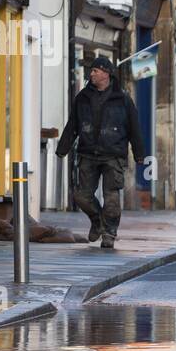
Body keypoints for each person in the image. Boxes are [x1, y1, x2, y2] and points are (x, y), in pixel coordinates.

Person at [55, 55, 145, 250]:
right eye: (92, 70)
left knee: (111, 197)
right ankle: (97, 221)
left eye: (95, 70)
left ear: (106, 73)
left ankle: (109, 234)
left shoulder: (123, 99)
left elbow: (134, 128)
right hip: (88, 153)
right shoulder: (82, 97)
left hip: (114, 155)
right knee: (81, 196)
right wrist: (63, 148)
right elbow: (73, 125)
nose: (91, 74)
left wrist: (139, 154)